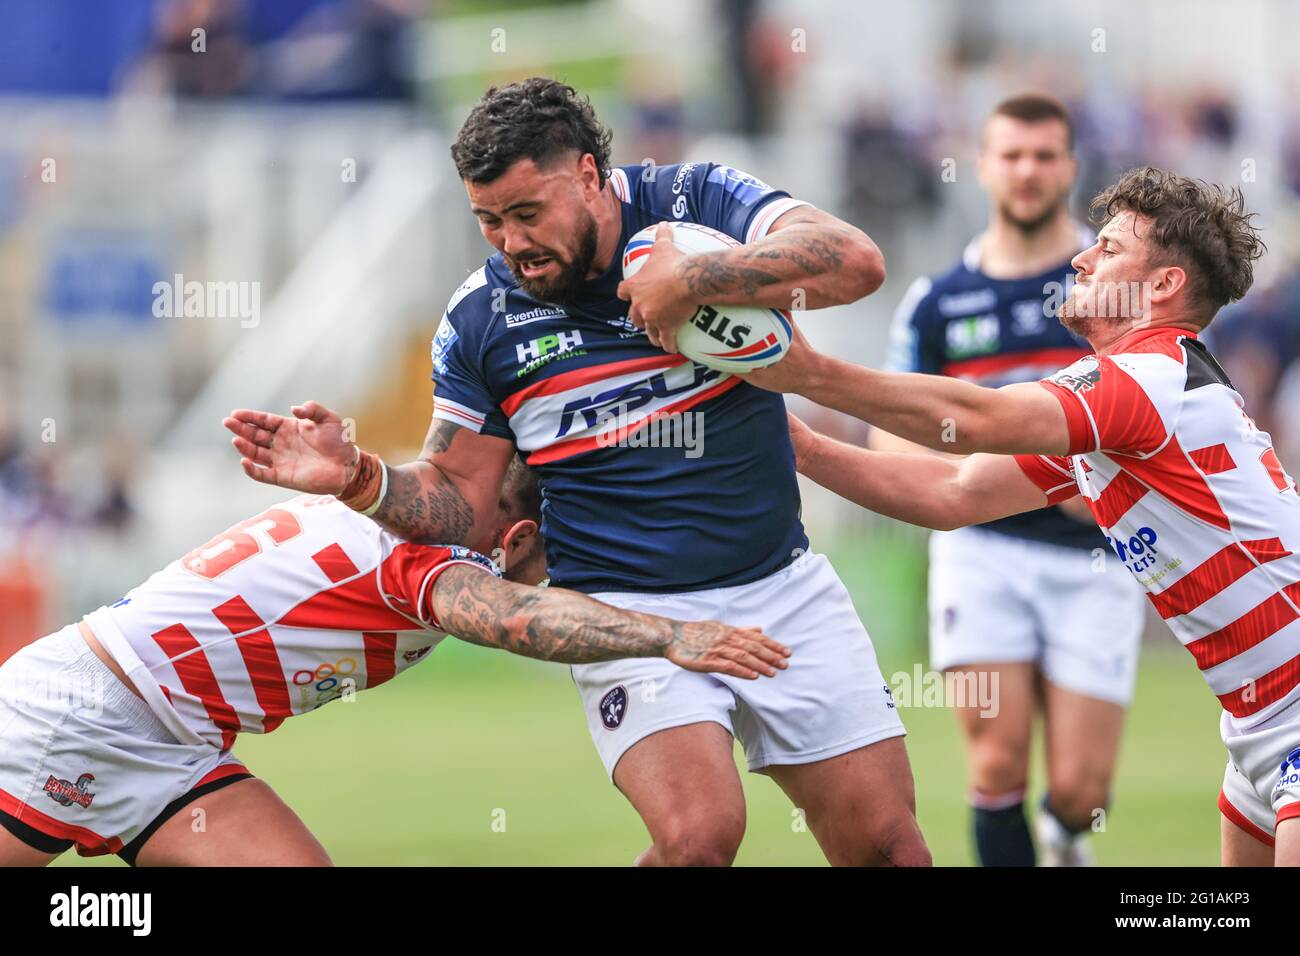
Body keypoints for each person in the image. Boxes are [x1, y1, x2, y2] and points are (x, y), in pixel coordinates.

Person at [224, 77, 930, 867]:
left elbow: (855, 263)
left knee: (891, 849)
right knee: (699, 837)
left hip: (781, 588)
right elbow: (460, 498)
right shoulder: (479, 322)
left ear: (591, 176)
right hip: (623, 606)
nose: (510, 242)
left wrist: (689, 281)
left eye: (528, 214)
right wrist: (360, 479)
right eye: (488, 221)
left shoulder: (696, 200)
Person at [747, 167, 1300, 866]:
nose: (1080, 257)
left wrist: (809, 372)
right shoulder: (1134, 403)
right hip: (1254, 723)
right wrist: (795, 442)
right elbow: (955, 491)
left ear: (1161, 287)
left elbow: (971, 419)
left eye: (1108, 247)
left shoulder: (1148, 375)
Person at [0, 458, 789, 866]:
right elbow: (514, 619)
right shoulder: (425, 553)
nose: (557, 577)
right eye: (556, 560)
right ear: (513, 542)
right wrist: (669, 635)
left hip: (172, 742)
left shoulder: (398, 511)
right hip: (79, 717)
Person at [877, 94, 1146, 866]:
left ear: (1070, 167)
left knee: (1081, 790)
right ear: (985, 163)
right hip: (982, 548)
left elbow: (1166, 399)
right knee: (995, 764)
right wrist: (981, 482)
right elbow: (890, 434)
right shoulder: (938, 301)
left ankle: (1065, 836)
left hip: (1096, 554)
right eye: (1011, 155)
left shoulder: (1114, 285)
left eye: (1044, 155)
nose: (1027, 171)